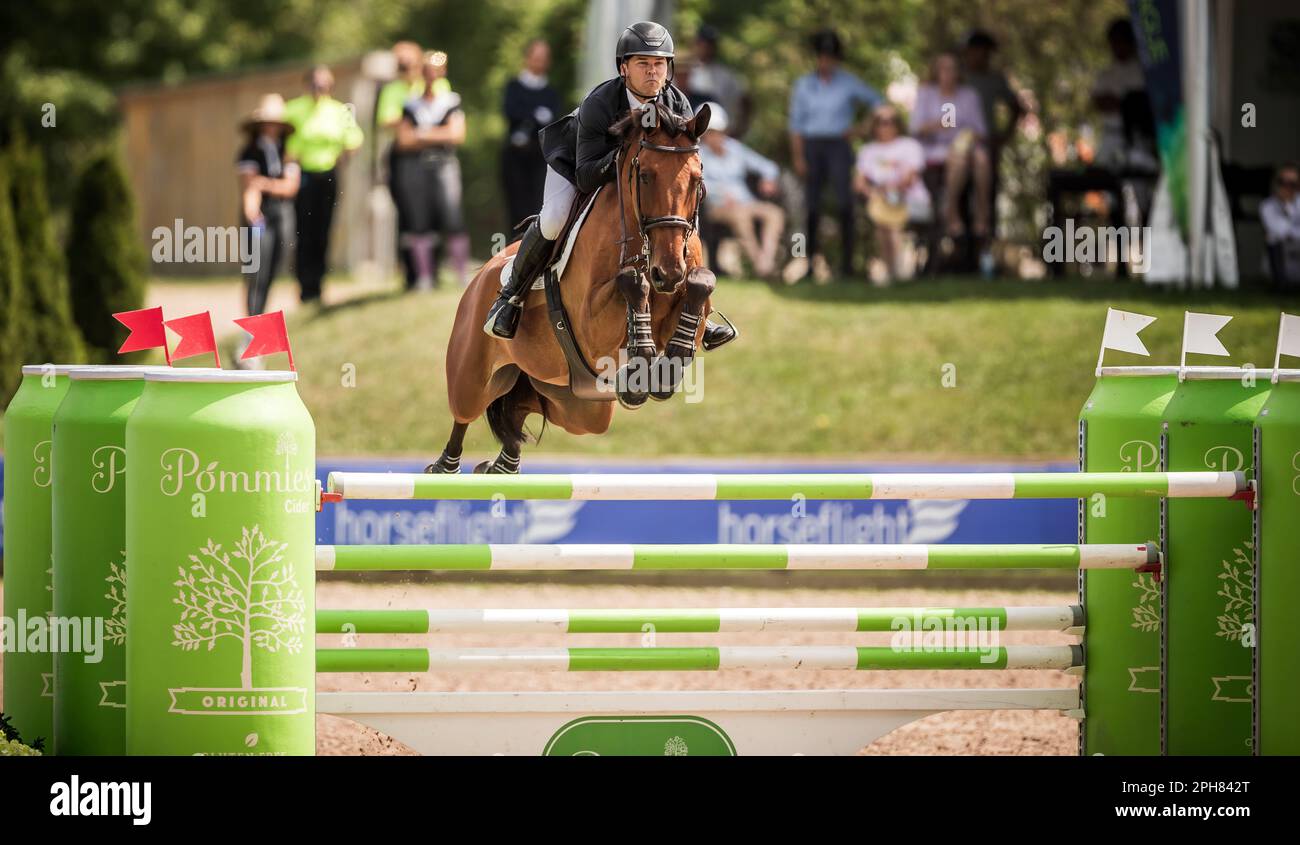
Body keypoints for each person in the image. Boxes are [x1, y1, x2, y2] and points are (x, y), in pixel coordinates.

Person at [485, 20, 735, 351]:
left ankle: (703, 311)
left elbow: (684, 165)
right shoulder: (600, 103)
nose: (652, 72)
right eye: (643, 64)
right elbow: (587, 174)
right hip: (576, 166)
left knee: (682, 216)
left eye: (659, 64)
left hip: (640, 181)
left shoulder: (678, 104)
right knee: (555, 216)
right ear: (624, 68)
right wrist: (626, 157)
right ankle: (510, 296)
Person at [788, 29, 881, 280]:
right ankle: (809, 265)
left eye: (831, 57)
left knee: (845, 204)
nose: (826, 61)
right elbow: (796, 125)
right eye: (822, 56)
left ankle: (848, 266)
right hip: (813, 145)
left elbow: (878, 102)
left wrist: (862, 128)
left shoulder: (848, 82)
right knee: (812, 206)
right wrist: (798, 157)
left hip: (839, 145)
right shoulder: (804, 85)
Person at [284, 66, 364, 303]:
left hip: (328, 174)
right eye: (315, 85)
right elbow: (286, 142)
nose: (319, 90)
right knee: (304, 231)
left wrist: (342, 156)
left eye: (325, 85)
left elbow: (354, 140)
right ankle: (304, 286)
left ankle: (318, 285)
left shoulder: (340, 110)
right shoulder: (294, 109)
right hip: (303, 174)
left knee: (323, 230)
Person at [393, 51, 468, 290]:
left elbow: (456, 134)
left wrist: (422, 133)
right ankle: (424, 278)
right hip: (415, 166)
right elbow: (403, 140)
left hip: (444, 163)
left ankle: (461, 274)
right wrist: (438, 134)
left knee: (452, 215)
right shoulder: (410, 103)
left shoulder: (451, 100)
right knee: (418, 220)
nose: (430, 76)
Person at [910, 51, 991, 240]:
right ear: (936, 72)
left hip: (966, 147)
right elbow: (914, 128)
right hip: (934, 149)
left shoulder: (969, 95)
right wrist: (937, 125)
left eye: (951, 69)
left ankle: (982, 213)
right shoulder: (926, 93)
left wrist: (966, 136)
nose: (947, 73)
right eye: (943, 69)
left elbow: (981, 130)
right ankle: (952, 211)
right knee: (959, 160)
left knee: (981, 158)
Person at [698, 103, 784, 278]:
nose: (715, 136)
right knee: (741, 216)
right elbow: (699, 183)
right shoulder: (698, 154)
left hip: (746, 203)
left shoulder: (734, 148)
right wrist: (719, 193)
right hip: (719, 207)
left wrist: (768, 178)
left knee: (775, 214)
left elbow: (768, 166)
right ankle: (763, 268)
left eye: (719, 131)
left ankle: (765, 263)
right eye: (711, 132)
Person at [236, 94, 301, 321]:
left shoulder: (288, 153)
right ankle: (252, 321)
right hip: (260, 216)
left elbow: (291, 187)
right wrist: (254, 207)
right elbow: (250, 186)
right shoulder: (250, 151)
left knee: (274, 266)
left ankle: (260, 318)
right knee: (256, 270)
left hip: (282, 214)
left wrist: (266, 184)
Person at [853, 104, 930, 284]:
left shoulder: (909, 146)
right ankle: (892, 271)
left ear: (897, 124)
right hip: (881, 202)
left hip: (911, 200)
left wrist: (888, 191)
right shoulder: (868, 151)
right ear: (874, 125)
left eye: (890, 122)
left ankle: (896, 270)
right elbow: (858, 182)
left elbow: (909, 179)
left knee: (890, 218)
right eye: (881, 122)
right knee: (883, 219)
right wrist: (871, 192)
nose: (885, 126)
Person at [961, 30, 1023, 228]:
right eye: (979, 51)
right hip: (960, 147)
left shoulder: (995, 79)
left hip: (987, 147)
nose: (983, 57)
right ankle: (961, 244)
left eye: (986, 52)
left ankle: (986, 245)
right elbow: (947, 108)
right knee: (960, 194)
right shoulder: (958, 78)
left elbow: (1016, 107)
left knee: (988, 197)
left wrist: (1004, 137)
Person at [501, 39, 563, 230]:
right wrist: (534, 116)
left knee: (538, 206)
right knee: (517, 206)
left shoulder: (550, 92)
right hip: (516, 156)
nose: (539, 62)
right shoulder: (514, 87)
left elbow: (553, 121)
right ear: (527, 59)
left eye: (544, 58)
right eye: (536, 57)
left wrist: (530, 117)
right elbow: (510, 112)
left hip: (539, 157)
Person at [1091, 18, 1154, 172]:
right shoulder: (1106, 74)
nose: (1116, 47)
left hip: (1138, 140)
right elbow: (1099, 103)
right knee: (1101, 176)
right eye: (1113, 42)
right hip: (1110, 135)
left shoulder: (1143, 72)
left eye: (1120, 41)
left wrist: (1125, 103)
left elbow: (1138, 104)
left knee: (1140, 181)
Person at [687, 25, 749, 137]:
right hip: (688, 132)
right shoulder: (684, 71)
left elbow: (745, 101)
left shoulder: (725, 76)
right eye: (702, 43)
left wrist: (738, 130)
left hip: (717, 135)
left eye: (709, 44)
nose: (705, 48)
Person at [1261, 163, 1300, 287]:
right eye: (1282, 182)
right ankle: (1280, 286)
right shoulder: (1267, 206)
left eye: (1292, 184)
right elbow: (1278, 230)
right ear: (1276, 184)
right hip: (1280, 262)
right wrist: (1287, 207)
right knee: (1272, 239)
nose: (1287, 187)